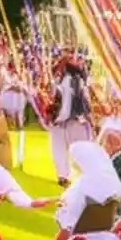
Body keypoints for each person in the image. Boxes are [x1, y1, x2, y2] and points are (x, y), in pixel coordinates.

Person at [48, 52, 93, 187]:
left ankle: (66, 175)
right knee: (68, 148)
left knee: (64, 149)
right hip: (70, 119)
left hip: (69, 119)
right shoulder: (70, 80)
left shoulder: (73, 80)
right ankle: (66, 176)